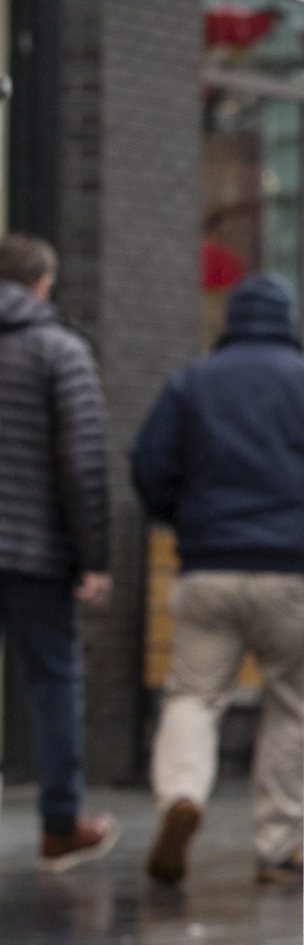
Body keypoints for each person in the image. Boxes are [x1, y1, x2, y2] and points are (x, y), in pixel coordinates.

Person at [130, 274, 304, 887]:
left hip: (208, 567)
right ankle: (277, 848)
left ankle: (182, 796)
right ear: (286, 319)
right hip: (291, 571)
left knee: (193, 696)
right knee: (292, 705)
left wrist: (183, 521)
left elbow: (149, 464)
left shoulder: (192, 381)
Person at [0, 232, 116, 872]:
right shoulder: (58, 349)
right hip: (32, 551)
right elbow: (83, 463)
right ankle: (59, 828)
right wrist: (92, 560)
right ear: (43, 283)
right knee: (53, 682)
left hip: (29, 547)